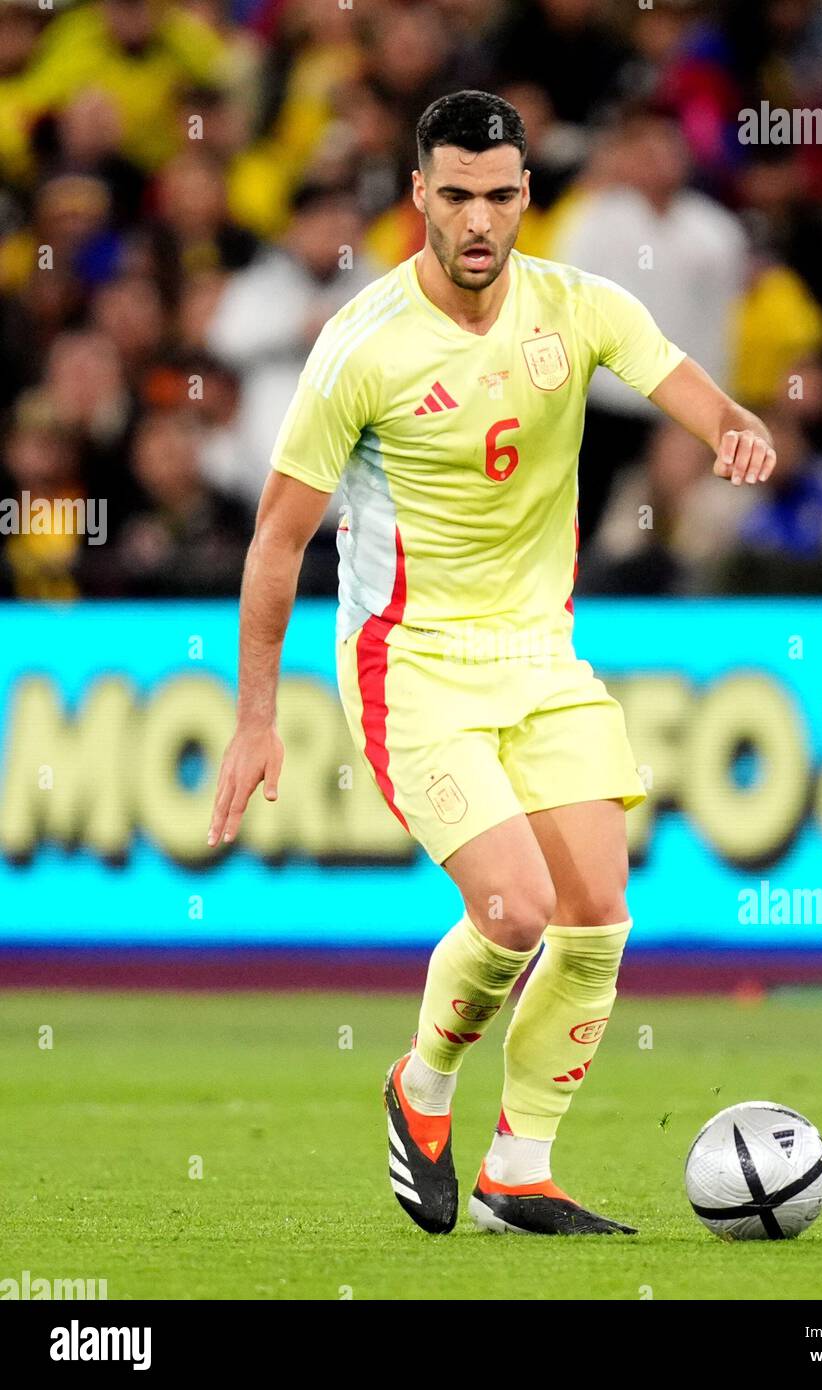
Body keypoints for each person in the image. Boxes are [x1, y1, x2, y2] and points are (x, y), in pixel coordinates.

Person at [207, 90, 777, 1237]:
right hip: (409, 661)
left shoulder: (578, 305)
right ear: (418, 193)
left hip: (542, 654)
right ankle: (419, 1088)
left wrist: (731, 423)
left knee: (596, 914)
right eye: (455, 195)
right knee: (512, 909)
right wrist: (255, 715)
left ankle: (519, 1170)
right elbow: (276, 540)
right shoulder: (360, 345)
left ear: (529, 198)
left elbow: (678, 383)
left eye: (500, 195)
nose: (477, 220)